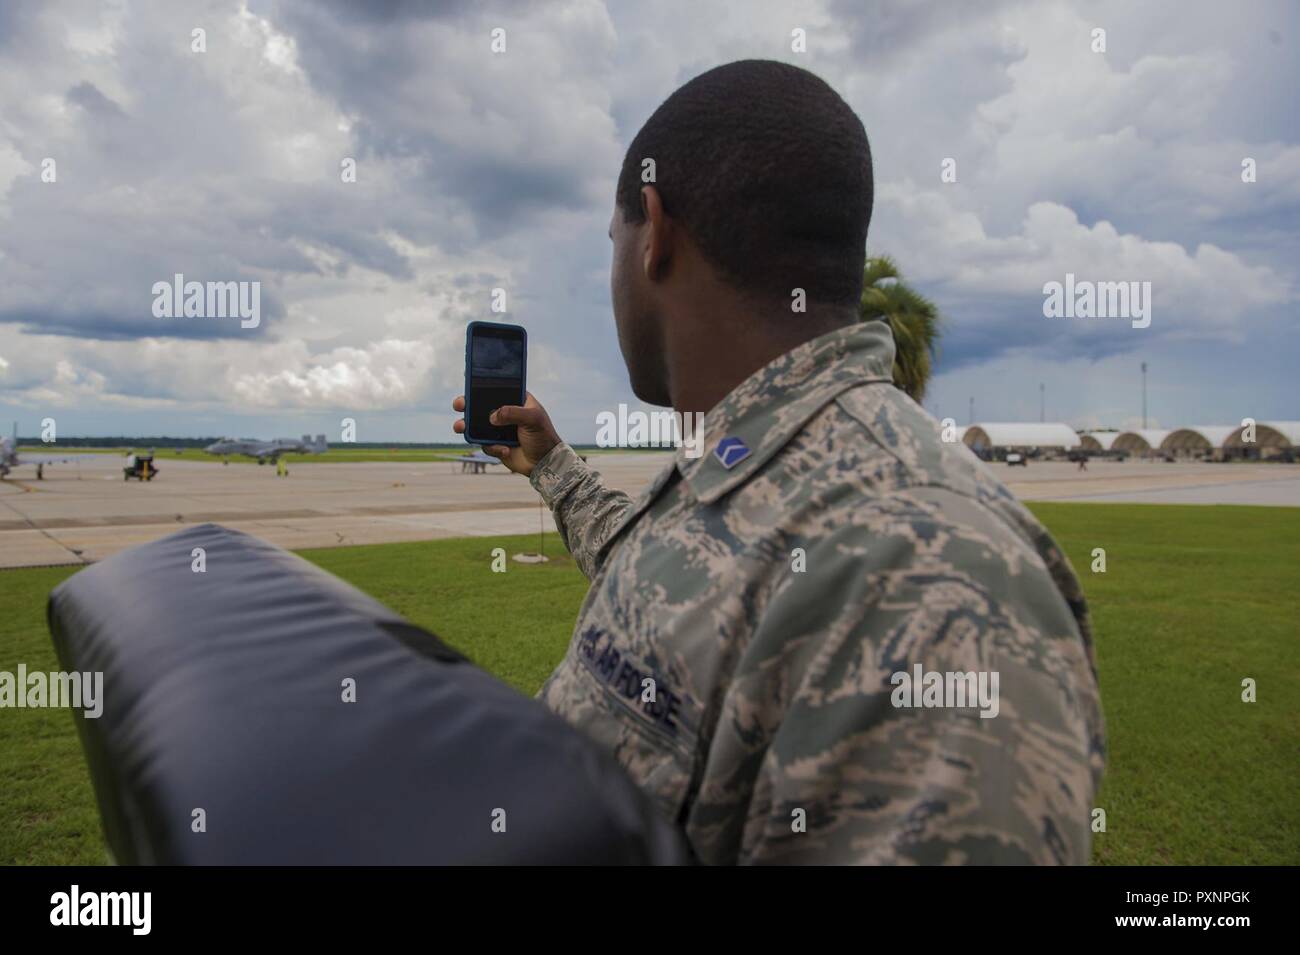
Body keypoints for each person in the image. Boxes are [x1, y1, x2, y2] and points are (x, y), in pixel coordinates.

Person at [452, 60, 1103, 865]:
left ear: (654, 231)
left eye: (611, 242)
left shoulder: (941, 581)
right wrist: (553, 468)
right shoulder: (746, 457)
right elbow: (685, 578)